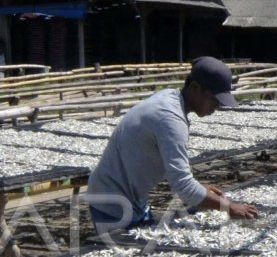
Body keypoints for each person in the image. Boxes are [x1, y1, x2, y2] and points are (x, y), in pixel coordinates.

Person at [86, 56, 259, 234]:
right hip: (112, 203)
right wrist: (229, 206)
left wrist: (201, 190)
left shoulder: (170, 97)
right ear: (194, 88)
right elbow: (183, 187)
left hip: (132, 198)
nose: (218, 106)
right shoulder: (170, 119)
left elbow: (172, 170)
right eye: (214, 99)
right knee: (125, 254)